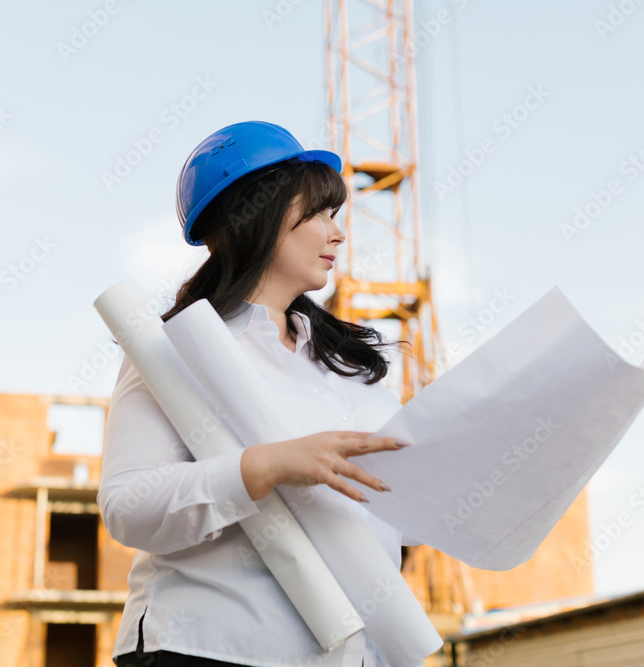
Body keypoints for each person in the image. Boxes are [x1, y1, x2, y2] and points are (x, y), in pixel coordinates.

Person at [98, 121, 417, 667]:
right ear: (259, 216)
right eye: (318, 213)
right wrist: (265, 466)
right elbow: (129, 507)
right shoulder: (173, 352)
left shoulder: (344, 364)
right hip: (210, 648)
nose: (337, 234)